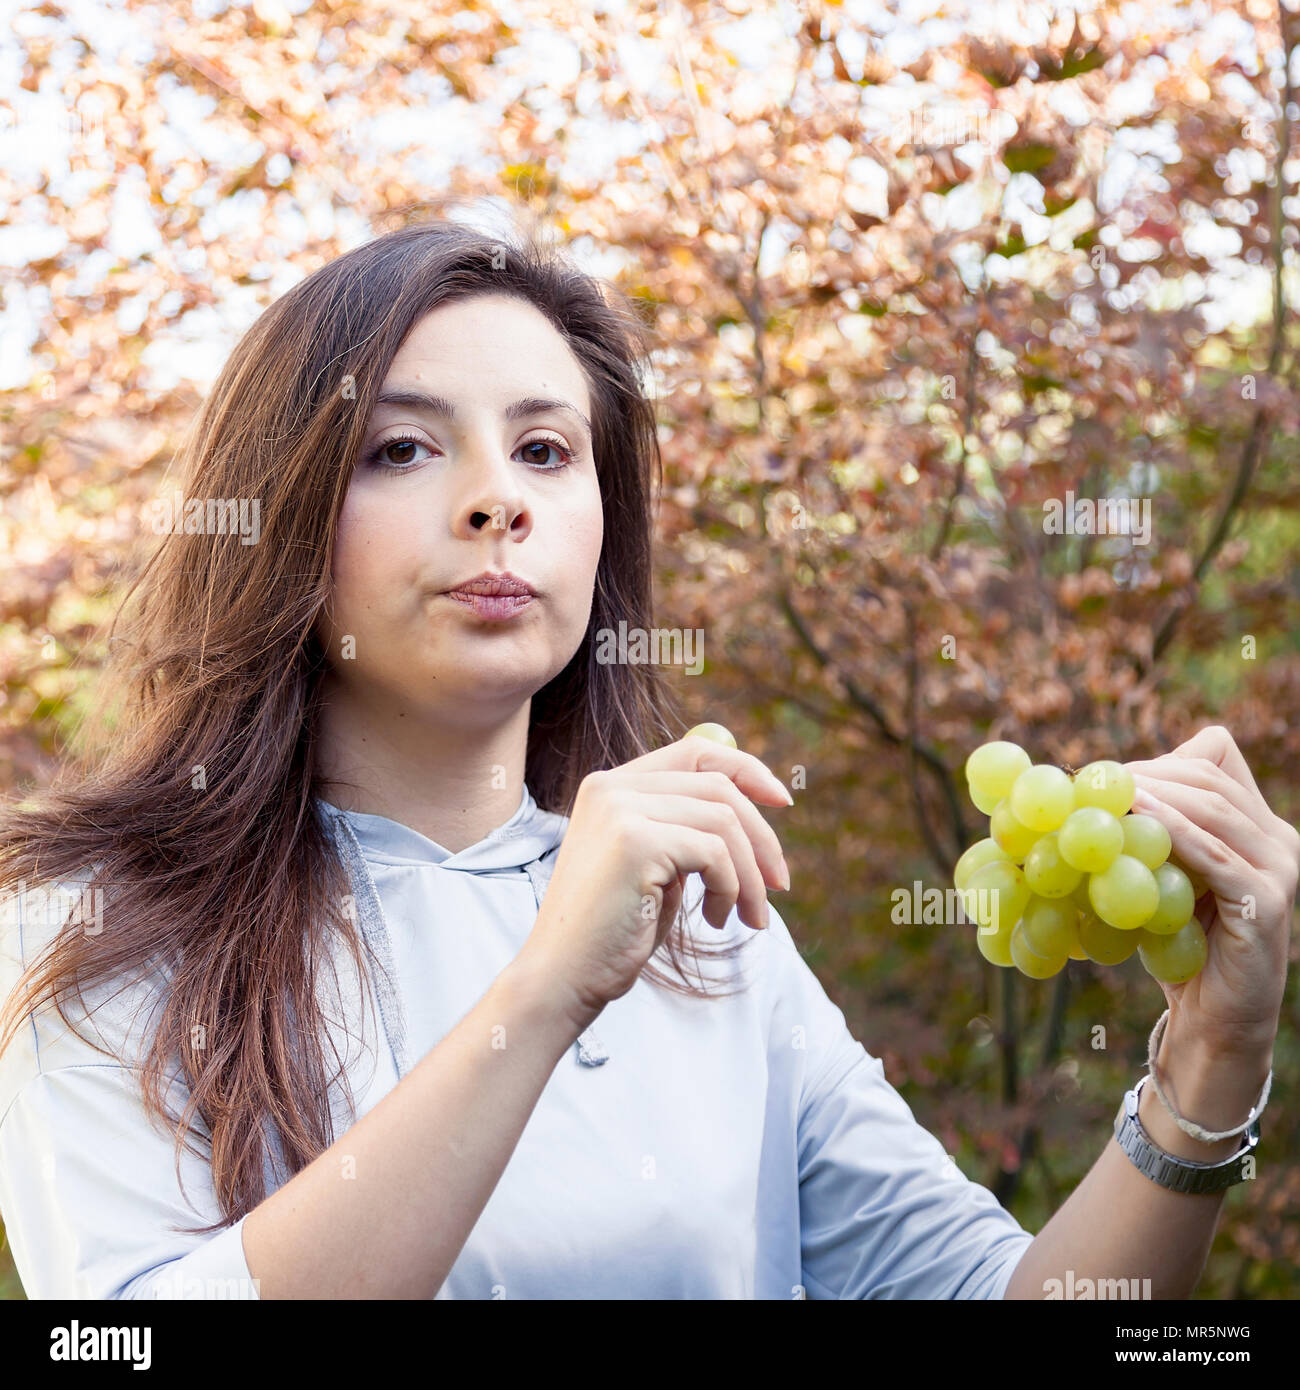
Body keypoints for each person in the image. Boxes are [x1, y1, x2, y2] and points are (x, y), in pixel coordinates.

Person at [0, 213, 1293, 1300]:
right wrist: (545, 988)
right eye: (402, 446)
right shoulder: (90, 923)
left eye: (547, 449)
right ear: (276, 513)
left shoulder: (706, 920)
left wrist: (1207, 1058)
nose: (498, 496)